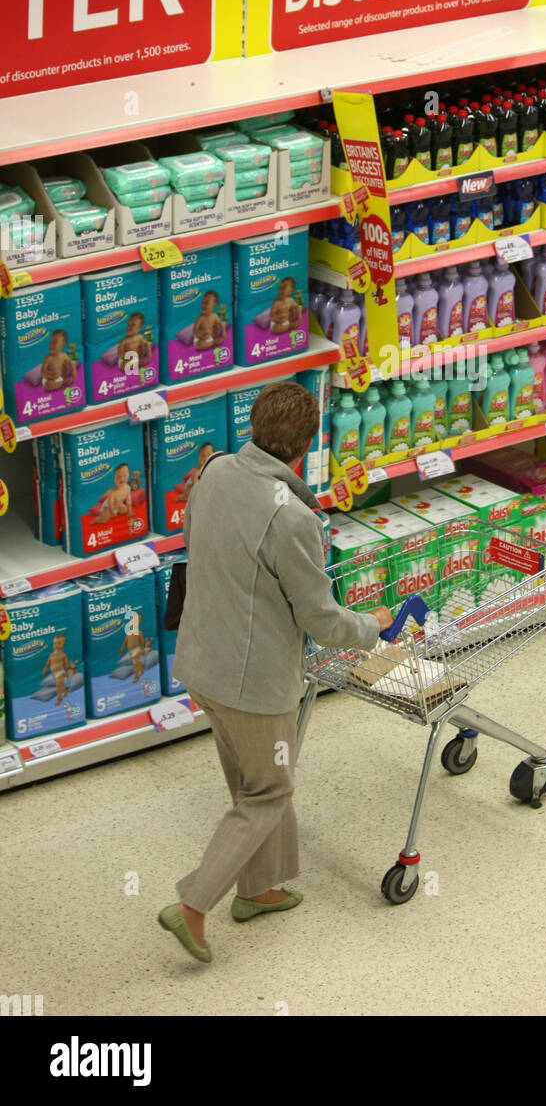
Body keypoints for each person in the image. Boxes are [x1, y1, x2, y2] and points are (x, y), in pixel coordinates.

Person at [159, 380, 392, 965]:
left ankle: (260, 889)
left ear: (256, 425)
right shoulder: (293, 518)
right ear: (306, 448)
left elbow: (199, 547)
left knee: (249, 777)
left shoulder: (211, 472)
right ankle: (192, 903)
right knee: (269, 790)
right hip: (252, 684)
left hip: (200, 662)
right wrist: (375, 625)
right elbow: (321, 618)